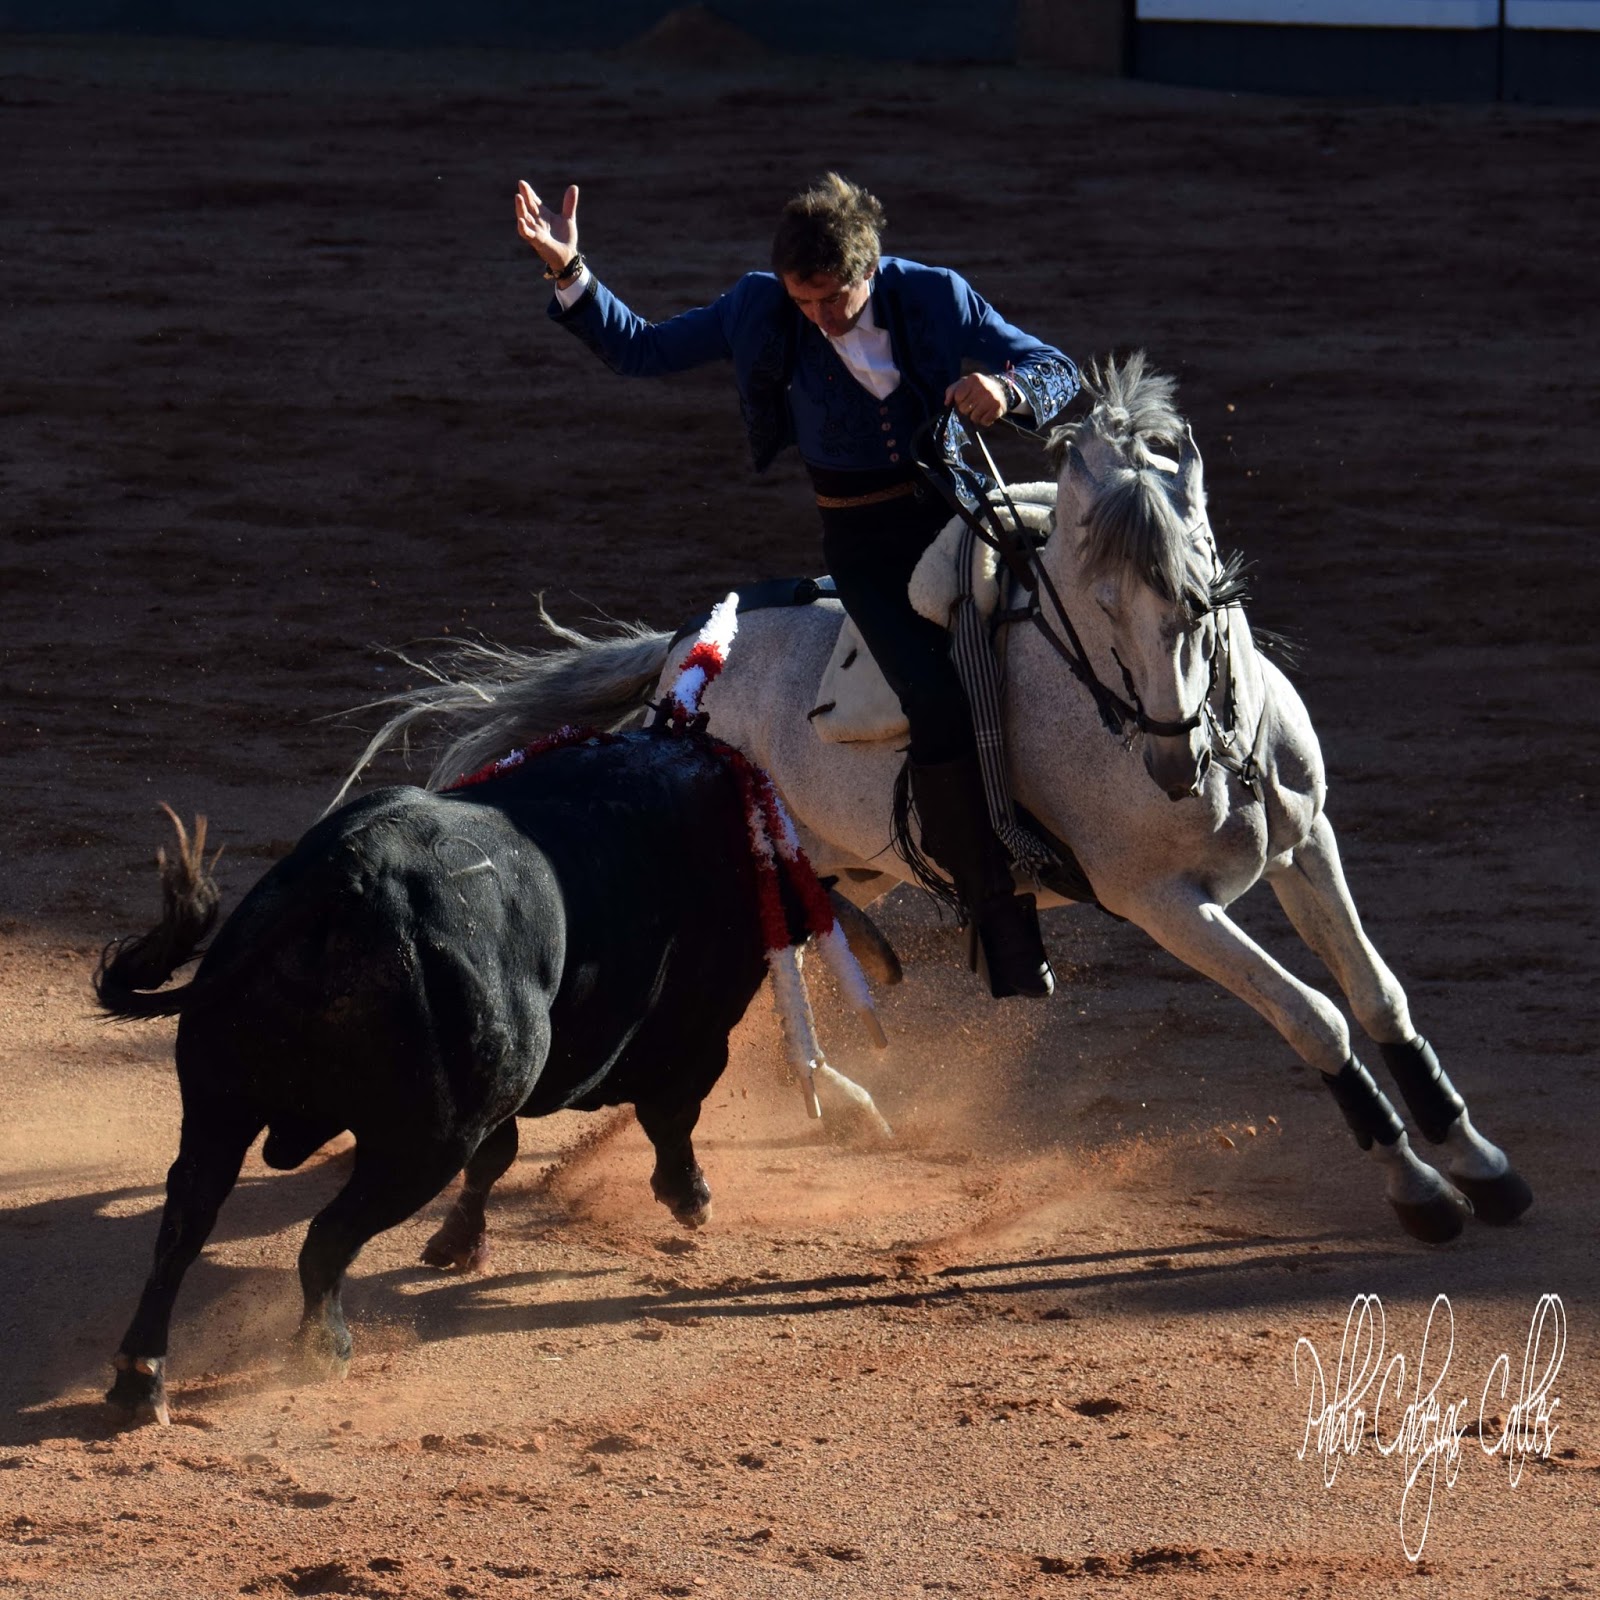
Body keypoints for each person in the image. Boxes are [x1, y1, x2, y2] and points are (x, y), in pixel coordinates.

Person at [514, 172, 1079, 998]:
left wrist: (1010, 388)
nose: (821, 318)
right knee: (934, 694)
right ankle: (998, 914)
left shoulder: (932, 294)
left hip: (958, 516)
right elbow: (643, 348)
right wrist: (570, 272)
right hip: (868, 548)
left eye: (835, 301)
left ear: (870, 269)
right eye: (804, 301)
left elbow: (1054, 365)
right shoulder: (758, 307)